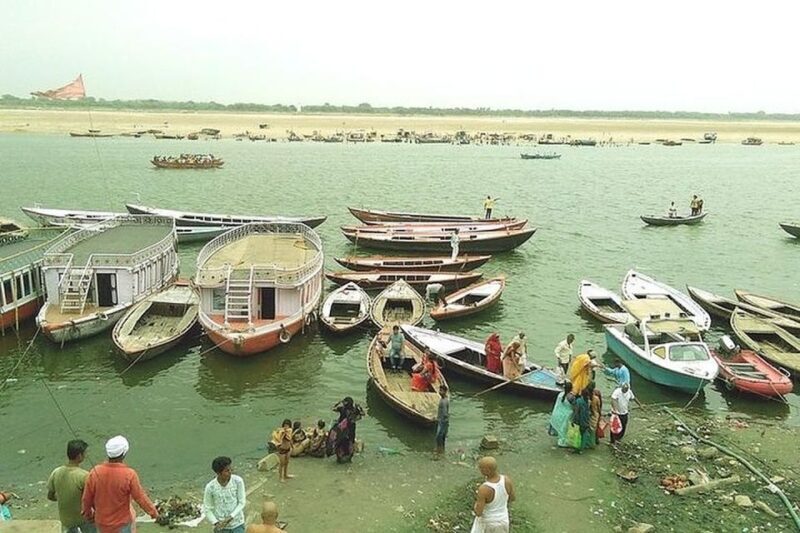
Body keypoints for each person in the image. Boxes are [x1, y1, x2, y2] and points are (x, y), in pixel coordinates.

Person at [81, 435, 159, 532]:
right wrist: (154, 513)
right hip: (122, 524)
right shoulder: (129, 474)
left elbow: (86, 499)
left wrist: (88, 515)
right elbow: (140, 498)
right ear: (124, 453)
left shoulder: (94, 472)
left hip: (101, 523)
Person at [47, 439, 95, 533]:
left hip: (66, 520)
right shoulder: (84, 476)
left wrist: (63, 497)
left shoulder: (56, 472)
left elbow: (50, 496)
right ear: (79, 456)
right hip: (83, 519)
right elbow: (91, 500)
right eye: (85, 453)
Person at [470, 457, 515, 533]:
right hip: (503, 520)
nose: (479, 470)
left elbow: (478, 512)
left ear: (487, 470)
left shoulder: (484, 489)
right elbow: (512, 498)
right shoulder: (506, 480)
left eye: (481, 468)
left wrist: (475, 505)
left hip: (488, 524)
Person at [203, 456, 246, 533]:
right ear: (218, 473)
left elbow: (242, 502)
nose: (230, 472)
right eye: (227, 471)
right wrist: (216, 523)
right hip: (221, 526)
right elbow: (207, 508)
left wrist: (231, 517)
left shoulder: (238, 481)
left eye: (230, 469)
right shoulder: (210, 487)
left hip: (237, 523)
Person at [330, 397, 364, 463]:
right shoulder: (354, 410)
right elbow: (362, 414)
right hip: (351, 429)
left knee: (339, 442)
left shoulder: (342, 409)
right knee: (350, 442)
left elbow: (332, 408)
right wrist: (359, 407)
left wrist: (337, 403)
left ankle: (339, 458)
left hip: (342, 429)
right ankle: (349, 459)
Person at [548, 381, 575, 447]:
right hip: (567, 415)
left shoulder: (560, 394)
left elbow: (557, 405)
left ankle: (561, 441)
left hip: (559, 414)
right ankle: (563, 442)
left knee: (561, 429)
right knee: (564, 430)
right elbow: (574, 407)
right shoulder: (571, 397)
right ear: (571, 388)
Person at [435, 384, 450, 456]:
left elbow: (444, 413)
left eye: (441, 391)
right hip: (444, 420)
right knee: (442, 436)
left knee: (438, 436)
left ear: (445, 392)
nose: (439, 392)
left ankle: (439, 449)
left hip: (442, 421)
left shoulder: (443, 401)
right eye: (439, 390)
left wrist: (442, 420)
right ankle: (442, 448)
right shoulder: (445, 399)